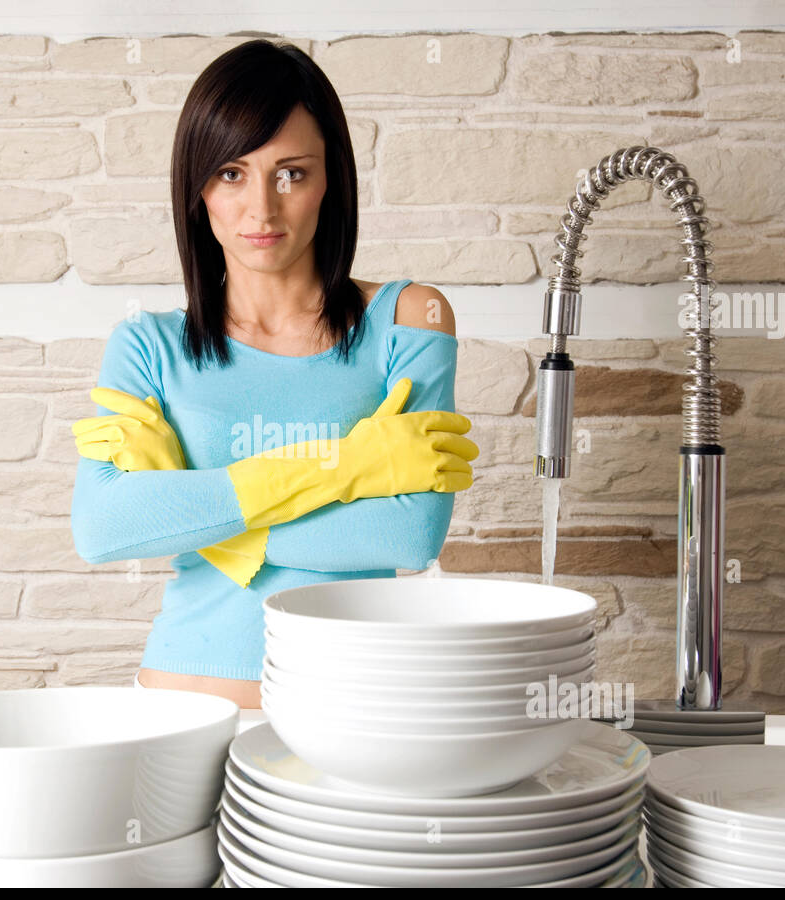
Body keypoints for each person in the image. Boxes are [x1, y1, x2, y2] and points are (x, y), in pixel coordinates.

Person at [69, 40, 479, 709]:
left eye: (291, 173)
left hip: (344, 713)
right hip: (173, 702)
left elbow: (408, 534)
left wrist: (194, 518)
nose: (262, 209)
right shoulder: (148, 346)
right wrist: (345, 468)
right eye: (231, 173)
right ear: (197, 188)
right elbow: (102, 529)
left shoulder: (408, 319)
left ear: (330, 181)